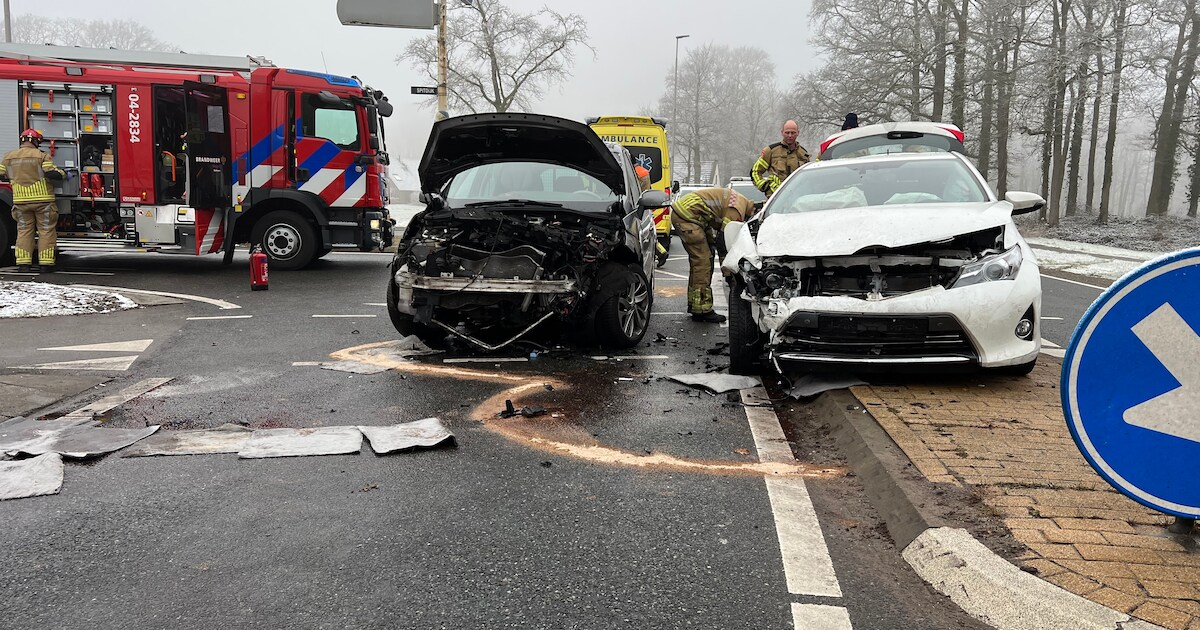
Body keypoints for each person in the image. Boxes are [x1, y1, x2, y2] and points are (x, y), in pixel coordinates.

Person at [671, 187, 756, 323]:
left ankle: (694, 304)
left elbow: (715, 233)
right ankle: (702, 310)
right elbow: (723, 241)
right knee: (703, 263)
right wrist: (728, 272)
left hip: (689, 216)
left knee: (702, 260)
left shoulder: (739, 200)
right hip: (688, 217)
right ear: (753, 212)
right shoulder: (737, 210)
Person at [1, 129, 65, 272]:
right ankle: (46, 264)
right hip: (43, 201)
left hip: (21, 202)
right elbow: (51, 173)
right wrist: (63, 173)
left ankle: (23, 264)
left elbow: (1, 173)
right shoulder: (41, 156)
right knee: (46, 231)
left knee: (24, 231)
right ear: (36, 141)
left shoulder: (8, 157)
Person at [751, 120, 809, 199]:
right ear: (782, 132)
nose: (790, 135)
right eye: (787, 132)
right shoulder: (771, 151)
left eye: (793, 133)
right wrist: (766, 187)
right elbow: (755, 172)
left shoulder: (803, 154)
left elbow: (808, 178)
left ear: (798, 133)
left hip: (797, 199)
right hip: (775, 199)